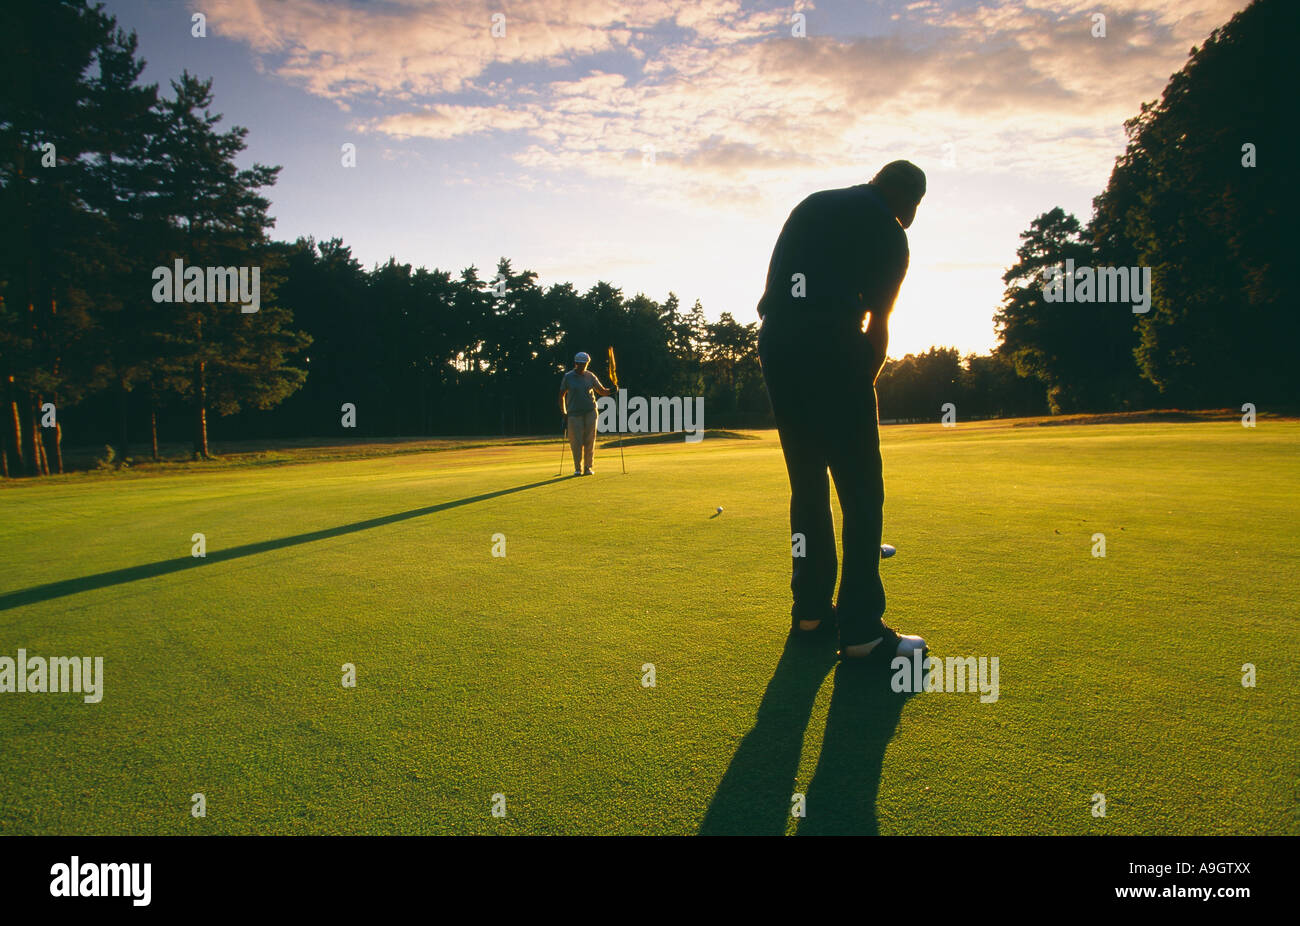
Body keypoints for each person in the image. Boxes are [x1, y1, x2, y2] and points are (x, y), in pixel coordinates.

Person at [756, 160, 928, 662]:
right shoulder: (891, 233)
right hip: (832, 347)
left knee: (807, 487)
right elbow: (878, 326)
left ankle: (811, 613)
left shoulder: (815, 203)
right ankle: (862, 633)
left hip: (778, 346)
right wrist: (861, 383)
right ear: (909, 200)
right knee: (861, 491)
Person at [559, 351, 612, 476]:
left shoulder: (590, 376)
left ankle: (588, 467)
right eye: (581, 364)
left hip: (590, 411)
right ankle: (578, 468)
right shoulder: (568, 377)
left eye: (585, 364)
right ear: (576, 363)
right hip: (573, 413)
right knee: (576, 442)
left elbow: (602, 391)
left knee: (589, 440)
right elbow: (561, 395)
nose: (583, 366)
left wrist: (612, 390)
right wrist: (564, 412)